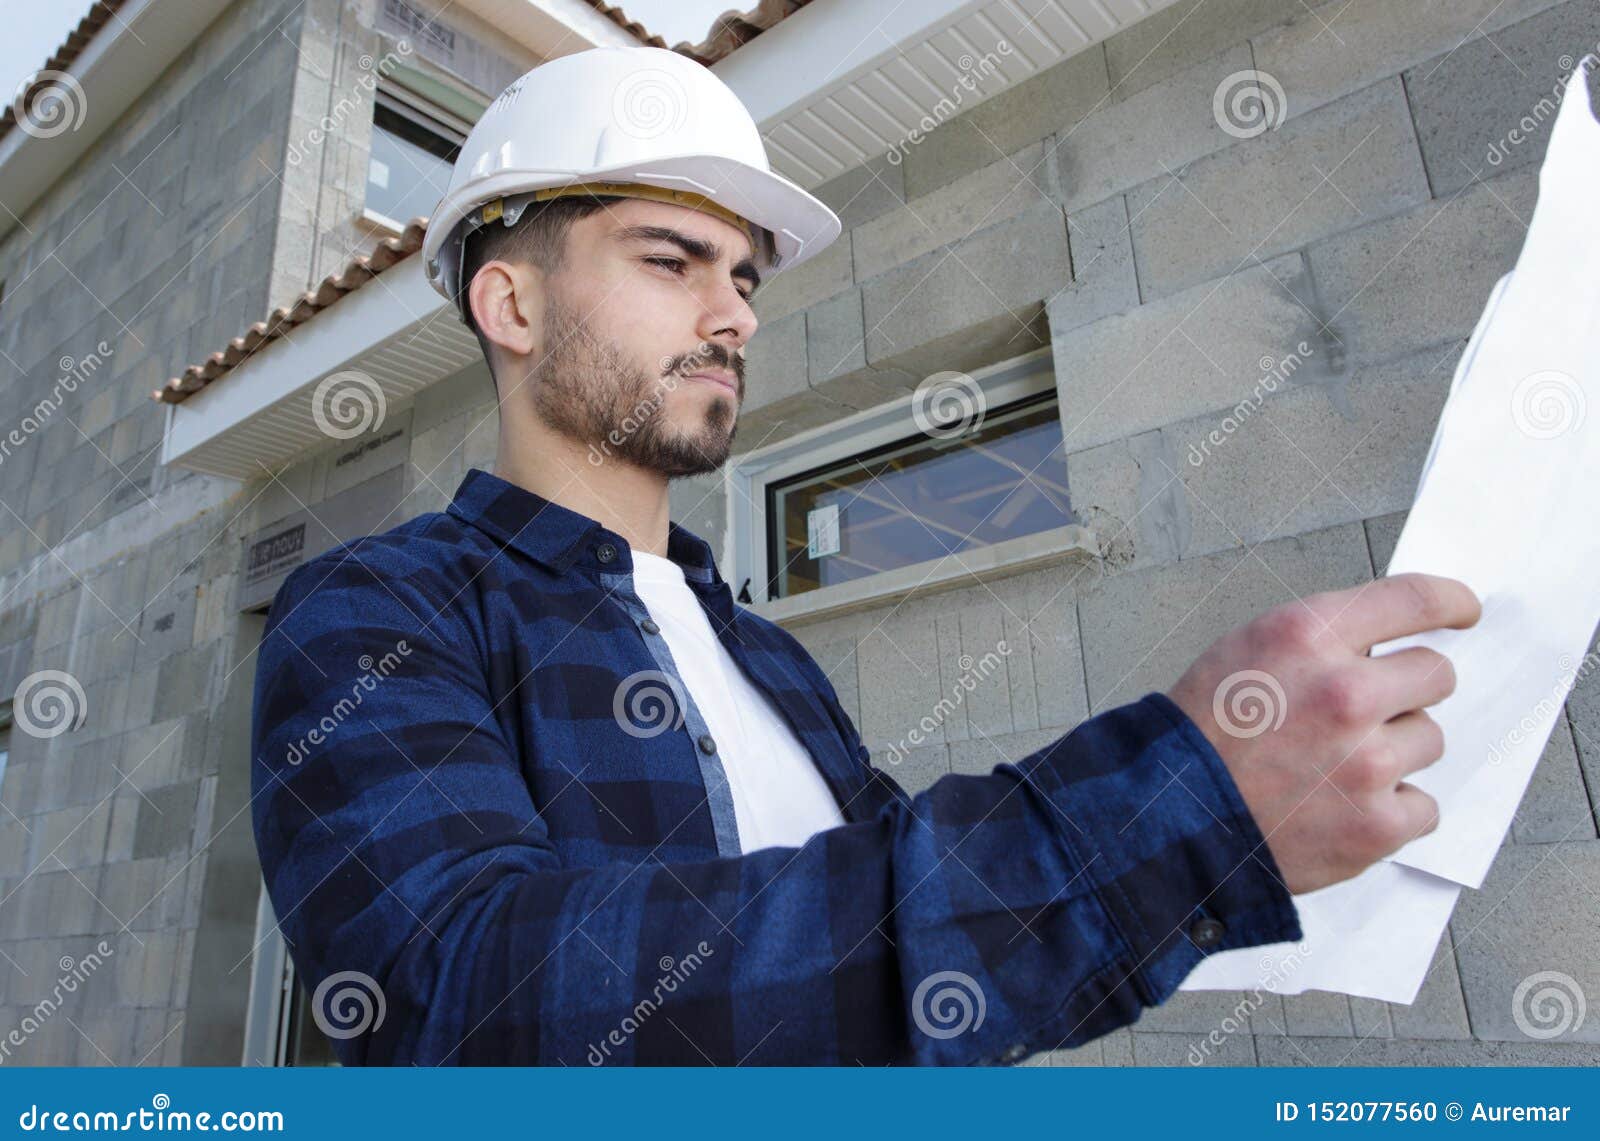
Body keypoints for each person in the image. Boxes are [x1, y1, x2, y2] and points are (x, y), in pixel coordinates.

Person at [249, 46, 1478, 1066]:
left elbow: (926, 977)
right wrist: (1164, 816)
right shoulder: (376, 612)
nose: (733, 314)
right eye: (669, 260)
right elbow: (466, 999)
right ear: (510, 307)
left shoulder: (770, 661)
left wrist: (1239, 839)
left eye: (741, 278)